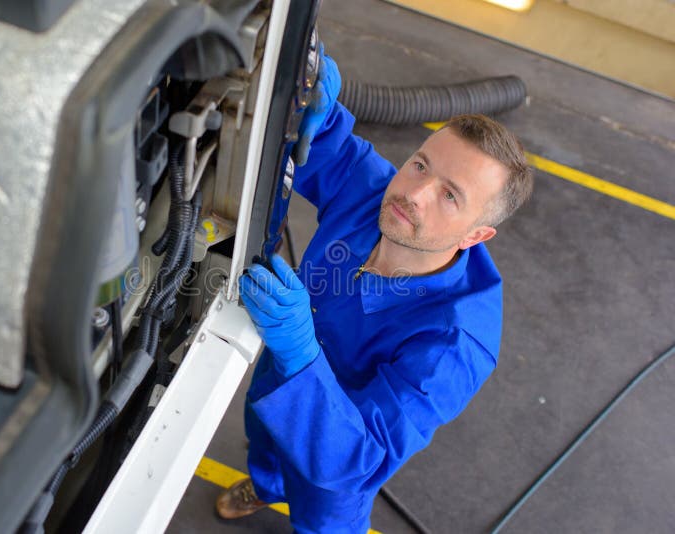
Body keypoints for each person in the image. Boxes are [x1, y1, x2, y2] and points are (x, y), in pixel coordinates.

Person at [216, 50, 533, 533]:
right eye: (421, 165)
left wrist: (300, 355)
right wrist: (312, 108)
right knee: (266, 441)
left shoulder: (455, 346)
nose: (414, 193)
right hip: (279, 383)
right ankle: (265, 485)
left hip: (339, 453)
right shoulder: (381, 194)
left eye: (450, 195)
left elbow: (357, 459)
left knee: (323, 516)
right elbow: (332, 148)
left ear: (476, 235)